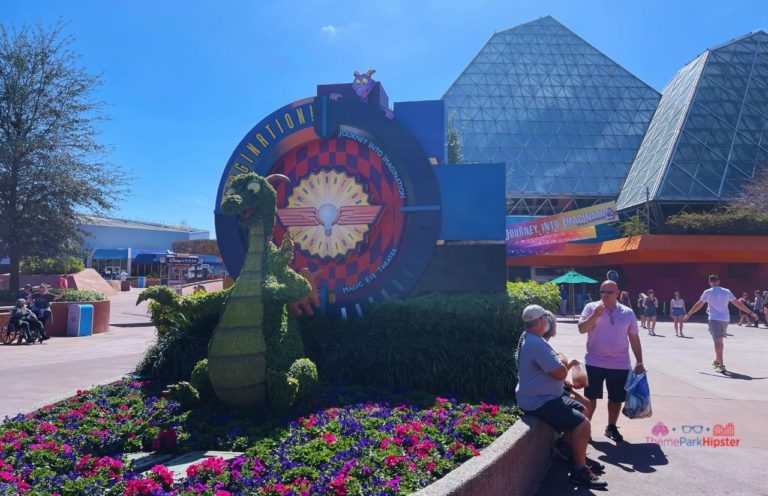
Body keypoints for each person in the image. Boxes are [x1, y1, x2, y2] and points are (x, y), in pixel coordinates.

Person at [516, 305, 607, 488]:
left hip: (545, 397)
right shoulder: (535, 343)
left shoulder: (531, 338)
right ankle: (579, 471)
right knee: (583, 424)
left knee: (583, 408)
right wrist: (568, 362)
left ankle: (569, 452)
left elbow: (555, 364)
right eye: (546, 319)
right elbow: (559, 372)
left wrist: (562, 363)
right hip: (540, 401)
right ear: (542, 321)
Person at [578, 280, 645, 444]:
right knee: (590, 398)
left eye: (609, 292)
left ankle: (611, 427)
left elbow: (634, 337)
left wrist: (639, 361)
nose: (605, 295)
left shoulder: (627, 312)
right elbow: (582, 329)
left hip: (619, 363)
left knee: (616, 399)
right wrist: (596, 315)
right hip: (594, 361)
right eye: (602, 291)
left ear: (617, 293)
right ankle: (586, 429)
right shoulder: (591, 308)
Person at [684, 275, 758, 373]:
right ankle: (717, 360)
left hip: (714, 319)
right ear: (719, 281)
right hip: (725, 319)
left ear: (710, 282)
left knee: (717, 342)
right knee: (720, 342)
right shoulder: (726, 291)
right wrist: (751, 313)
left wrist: (689, 314)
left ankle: (721, 365)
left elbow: (699, 304)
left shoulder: (708, 292)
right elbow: (737, 303)